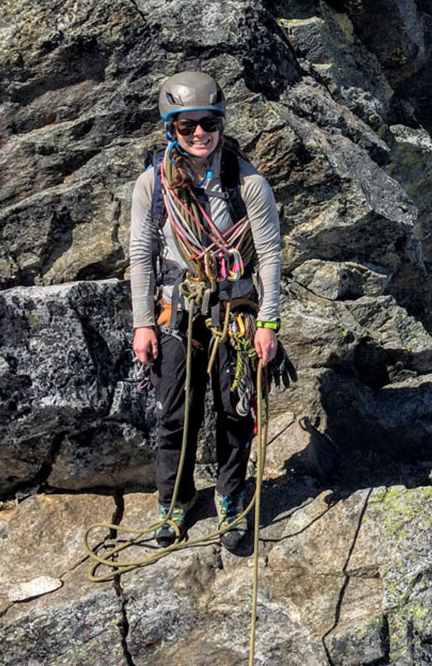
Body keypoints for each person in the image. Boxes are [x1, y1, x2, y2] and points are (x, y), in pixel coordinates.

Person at [128, 71, 284, 550]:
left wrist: (269, 321)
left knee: (235, 411)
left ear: (221, 123)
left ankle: (230, 500)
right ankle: (173, 502)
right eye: (186, 125)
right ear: (170, 129)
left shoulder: (247, 182)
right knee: (175, 411)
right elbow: (140, 253)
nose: (199, 134)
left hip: (234, 310)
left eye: (209, 123)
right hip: (178, 311)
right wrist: (140, 323)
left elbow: (271, 253)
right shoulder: (153, 185)